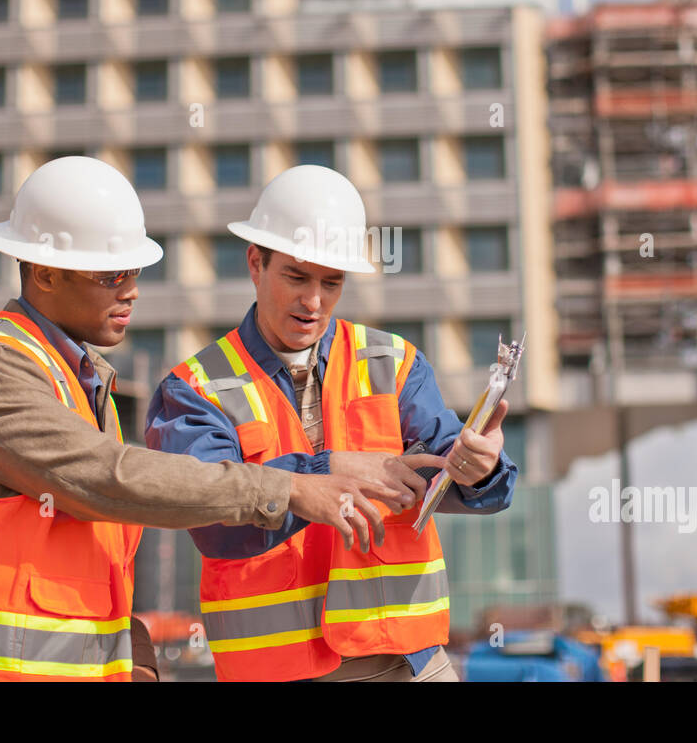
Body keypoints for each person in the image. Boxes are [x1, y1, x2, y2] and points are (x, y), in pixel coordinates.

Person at [0, 157, 382, 682]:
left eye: (135, 272)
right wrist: (287, 487)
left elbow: (90, 549)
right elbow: (108, 478)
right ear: (45, 273)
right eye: (111, 275)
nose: (130, 290)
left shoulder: (77, 381)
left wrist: (135, 649)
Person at [147, 165, 517, 682]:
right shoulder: (194, 388)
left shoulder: (394, 360)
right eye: (296, 277)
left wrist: (479, 468)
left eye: (332, 282)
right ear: (256, 263)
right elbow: (208, 518)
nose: (314, 302)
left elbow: (454, 472)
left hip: (412, 662)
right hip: (279, 671)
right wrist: (321, 472)